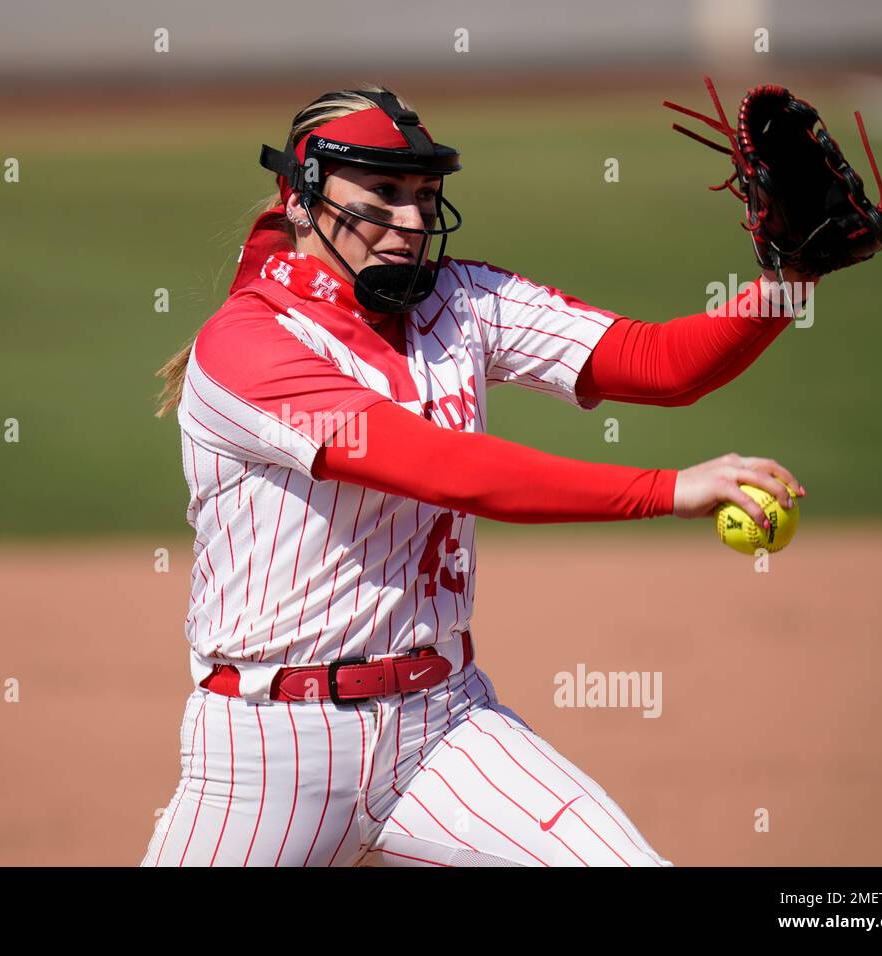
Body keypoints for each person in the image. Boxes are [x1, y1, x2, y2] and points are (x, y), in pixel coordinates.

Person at [143, 84, 807, 867]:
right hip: (269, 755)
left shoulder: (461, 300)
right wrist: (665, 489)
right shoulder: (247, 349)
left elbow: (659, 363)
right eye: (384, 193)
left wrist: (794, 276)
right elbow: (442, 467)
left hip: (443, 729)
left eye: (424, 195)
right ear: (303, 196)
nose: (413, 219)